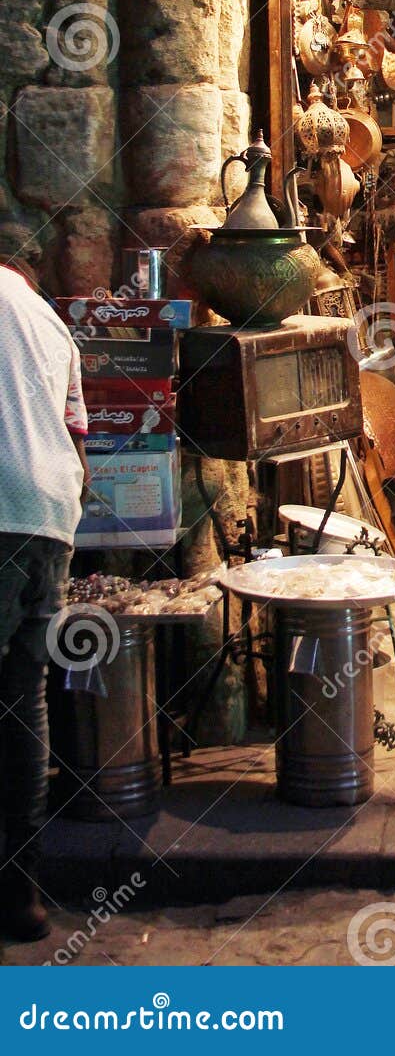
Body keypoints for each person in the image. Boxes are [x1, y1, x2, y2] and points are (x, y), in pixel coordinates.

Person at [0, 225, 89, 942]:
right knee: (21, 701)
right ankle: (21, 896)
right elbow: (77, 440)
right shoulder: (52, 323)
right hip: (48, 518)